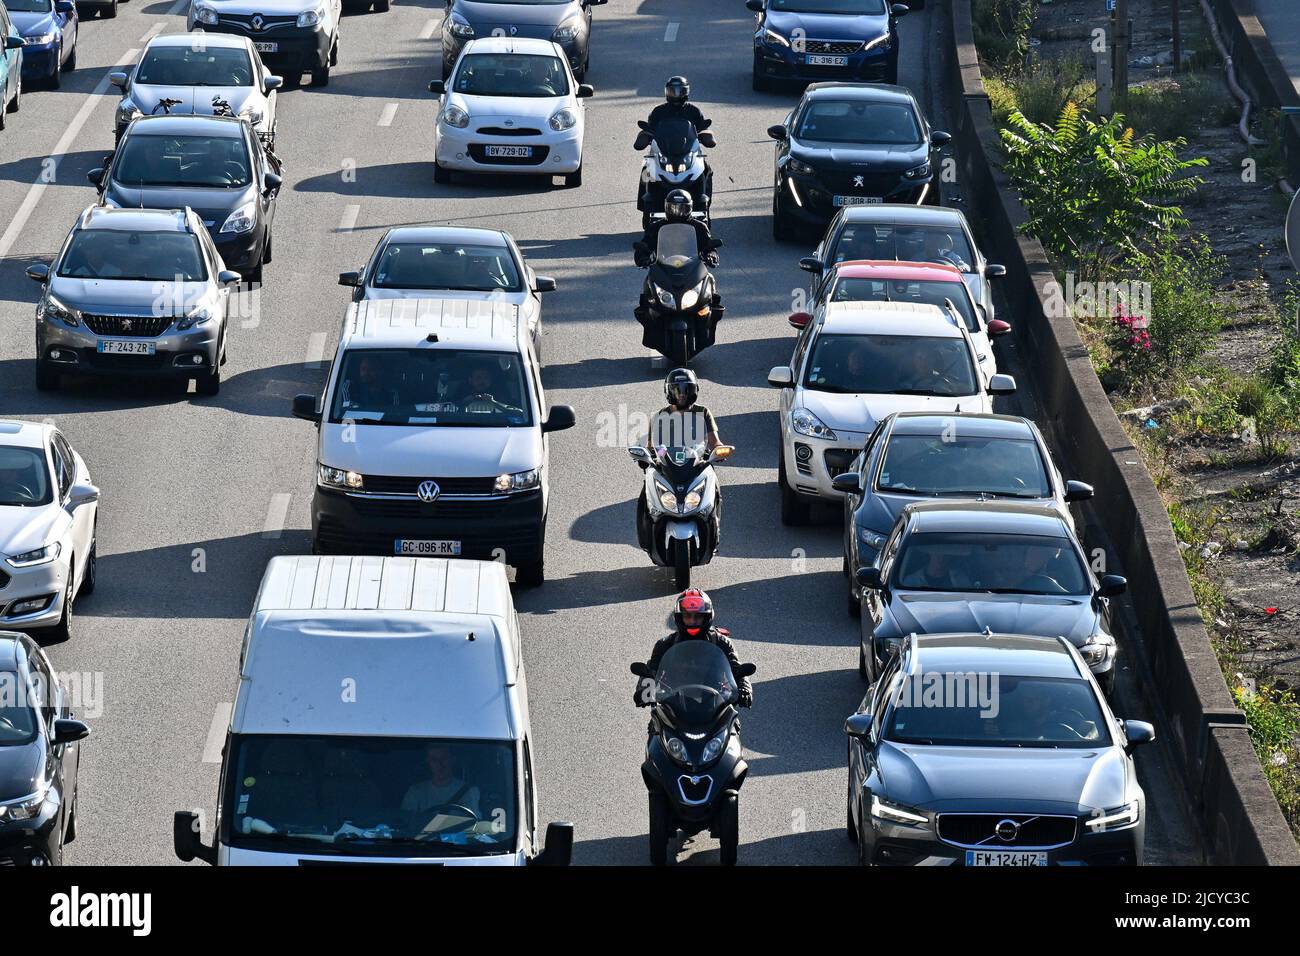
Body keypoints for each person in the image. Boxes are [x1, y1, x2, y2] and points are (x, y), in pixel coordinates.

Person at [637, 369, 723, 552]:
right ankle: (646, 538)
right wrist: (645, 457)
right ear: (669, 391)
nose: (682, 394)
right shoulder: (660, 416)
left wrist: (719, 451)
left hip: (696, 466)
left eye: (686, 389)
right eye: (677, 389)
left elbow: (714, 442)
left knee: (714, 489)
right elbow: (651, 446)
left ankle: (714, 532)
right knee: (646, 493)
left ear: (694, 390)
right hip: (667, 467)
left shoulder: (703, 413)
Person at [632, 589, 753, 714]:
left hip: (715, 702)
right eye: (688, 616)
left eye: (698, 617)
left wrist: (744, 688)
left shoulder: (722, 642)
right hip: (673, 702)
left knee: (731, 722)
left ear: (706, 617)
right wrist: (644, 689)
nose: (693, 621)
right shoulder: (665, 644)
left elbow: (737, 669)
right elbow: (651, 670)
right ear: (680, 617)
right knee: (656, 726)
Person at [642, 76, 714, 209]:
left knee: (705, 167)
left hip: (688, 152)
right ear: (666, 92)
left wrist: (707, 135)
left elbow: (703, 127)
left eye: (679, 91)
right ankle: (646, 201)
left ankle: (703, 202)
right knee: (647, 168)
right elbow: (650, 128)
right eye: (672, 91)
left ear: (686, 92)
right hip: (663, 152)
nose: (676, 94)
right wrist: (645, 135)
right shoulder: (658, 112)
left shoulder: (693, 111)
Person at [401, 743, 482, 821]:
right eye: (434, 760)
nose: (440, 764)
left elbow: (474, 826)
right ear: (428, 761)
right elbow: (406, 823)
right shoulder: (415, 792)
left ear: (452, 759)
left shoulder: (469, 791)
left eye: (444, 758)